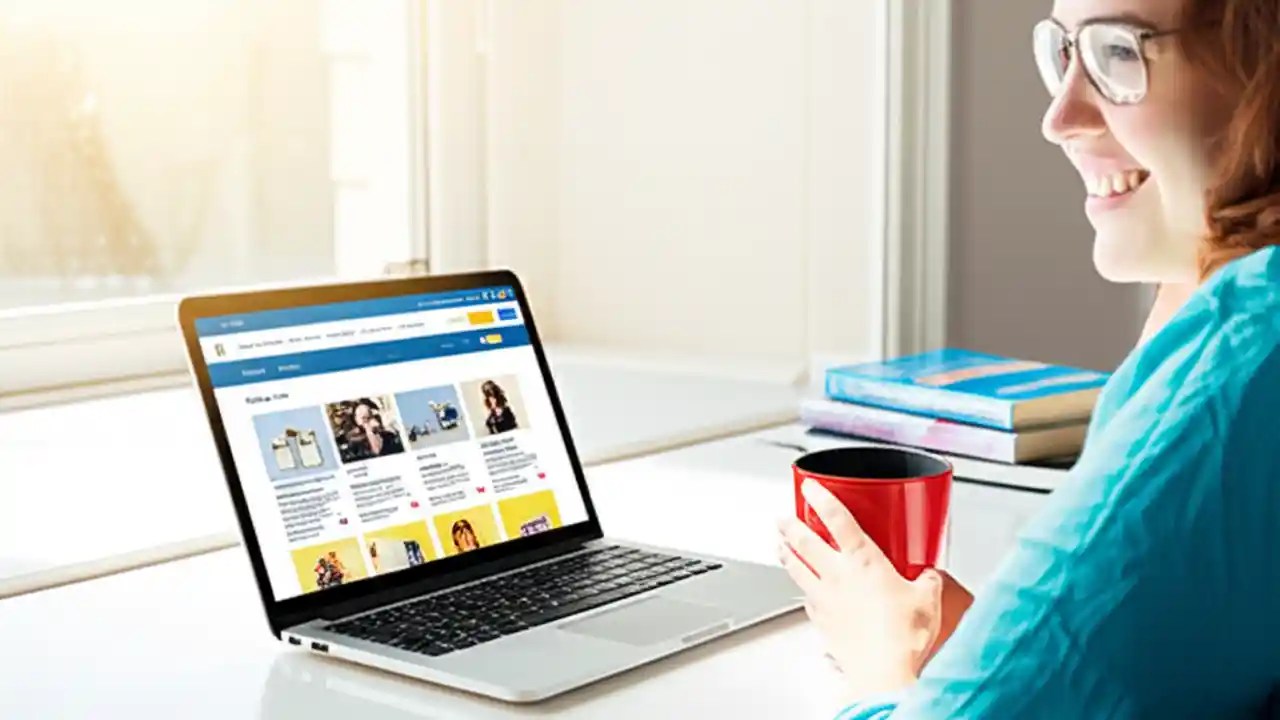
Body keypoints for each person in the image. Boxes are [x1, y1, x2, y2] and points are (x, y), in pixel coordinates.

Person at [778, 0, 1280, 716]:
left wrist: (889, 664)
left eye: (1116, 54)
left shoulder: (1243, 358)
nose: (1060, 116)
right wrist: (1008, 656)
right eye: (1061, 52)